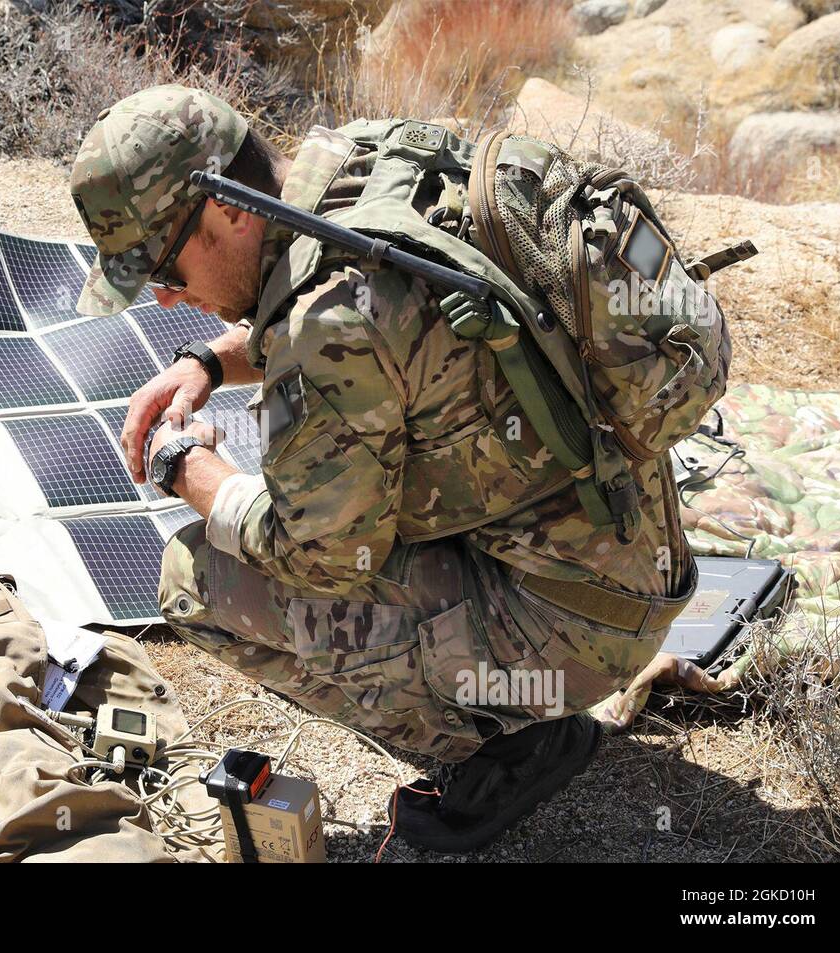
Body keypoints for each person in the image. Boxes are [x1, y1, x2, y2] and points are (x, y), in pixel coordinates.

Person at [69, 84, 697, 852]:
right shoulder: (362, 163)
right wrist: (208, 358)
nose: (166, 298)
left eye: (165, 266)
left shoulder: (324, 321)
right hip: (635, 554)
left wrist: (186, 466)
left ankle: (496, 738)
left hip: (571, 629)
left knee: (194, 579)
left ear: (227, 209)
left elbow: (322, 558)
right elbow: (380, 313)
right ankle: (498, 690)